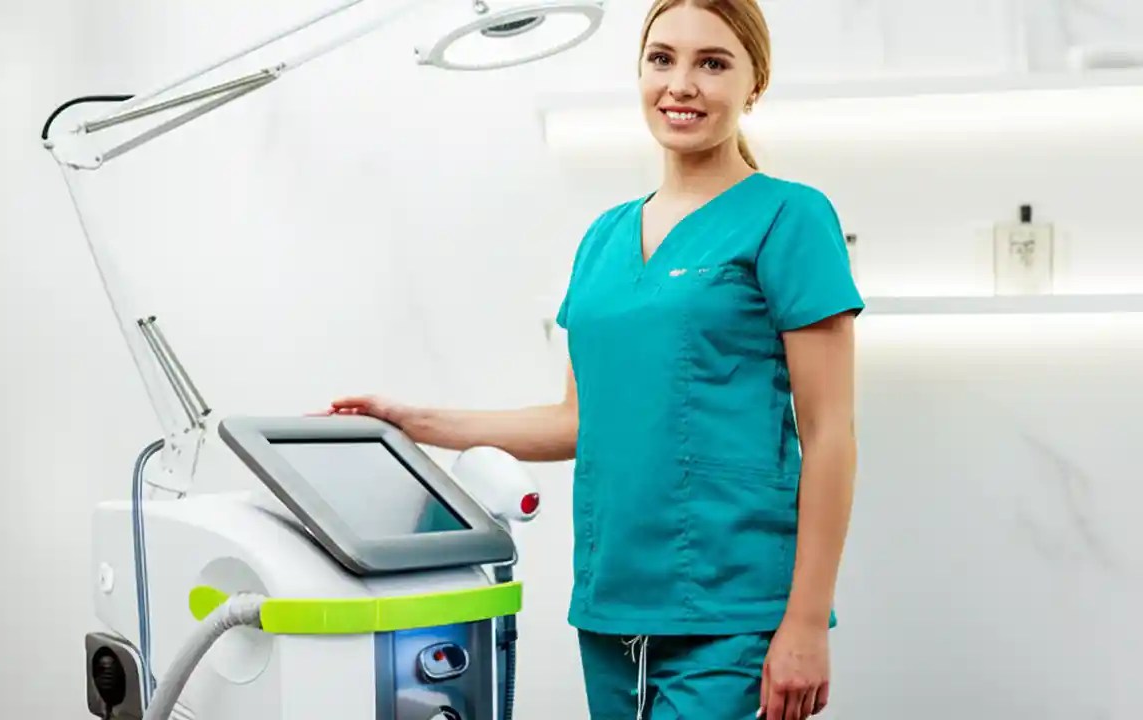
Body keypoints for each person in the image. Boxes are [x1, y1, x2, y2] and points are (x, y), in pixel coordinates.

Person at [324, 0, 862, 718]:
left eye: (713, 63)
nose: (682, 84)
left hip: (734, 610)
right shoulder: (604, 238)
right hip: (611, 605)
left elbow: (830, 435)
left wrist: (804, 622)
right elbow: (579, 422)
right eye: (662, 58)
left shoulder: (790, 217)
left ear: (753, 85)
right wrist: (410, 420)